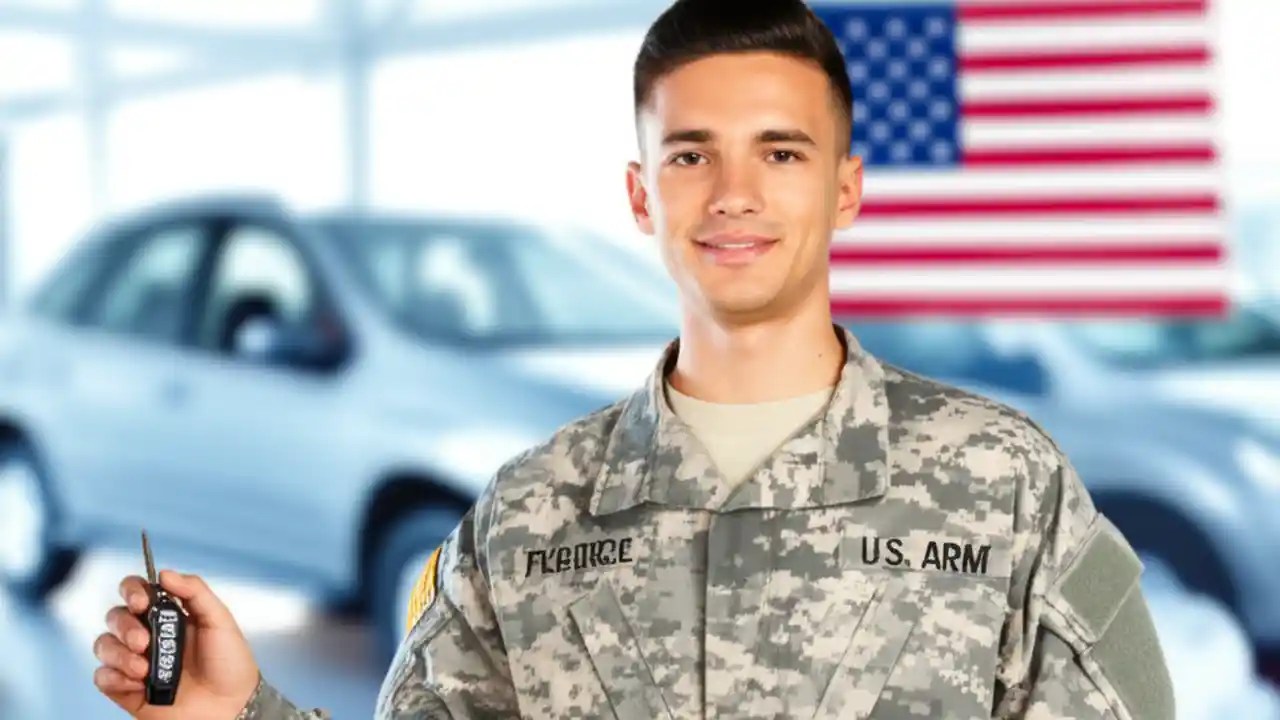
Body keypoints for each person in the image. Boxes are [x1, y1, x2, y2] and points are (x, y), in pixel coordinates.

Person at [92, 0, 1175, 718]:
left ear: (845, 188)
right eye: (690, 154)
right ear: (638, 194)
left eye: (779, 153)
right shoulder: (527, 515)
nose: (734, 194)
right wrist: (237, 712)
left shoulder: (1006, 487)